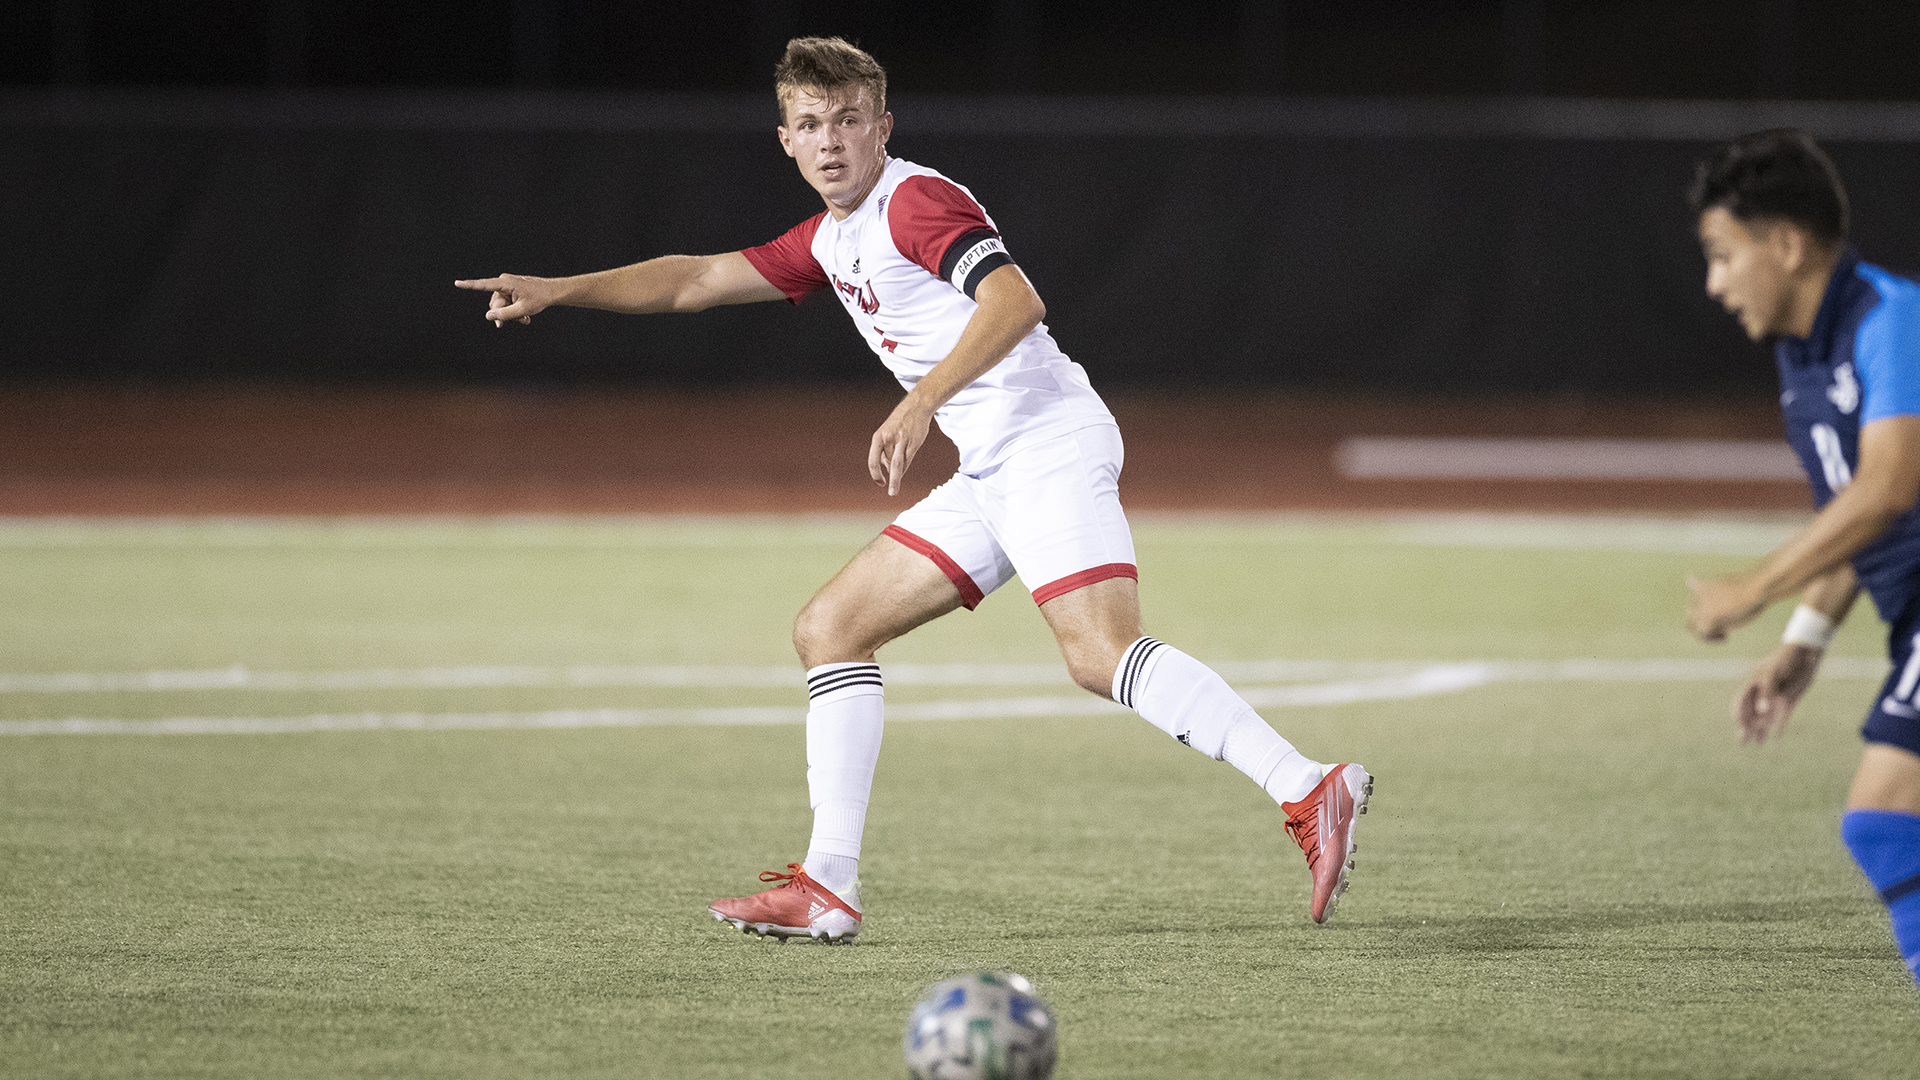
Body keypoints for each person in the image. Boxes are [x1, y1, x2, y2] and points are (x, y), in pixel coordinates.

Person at [456, 37, 1370, 940]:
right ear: (785, 140)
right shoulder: (832, 235)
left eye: (849, 119)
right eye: (810, 124)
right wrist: (562, 287)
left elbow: (1016, 302)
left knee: (1099, 654)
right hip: (994, 465)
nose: (831, 140)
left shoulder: (912, 202)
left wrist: (923, 401)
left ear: (882, 126)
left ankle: (1308, 787)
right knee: (831, 628)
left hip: (1045, 443)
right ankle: (828, 886)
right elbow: (696, 280)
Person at [1685, 128, 1920, 987]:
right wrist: (1805, 642)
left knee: (1884, 819)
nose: (1714, 284)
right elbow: (1856, 523)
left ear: (1785, 244)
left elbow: (1890, 487)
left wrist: (1751, 589)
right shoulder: (1802, 358)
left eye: (1723, 254)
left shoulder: (1893, 319)